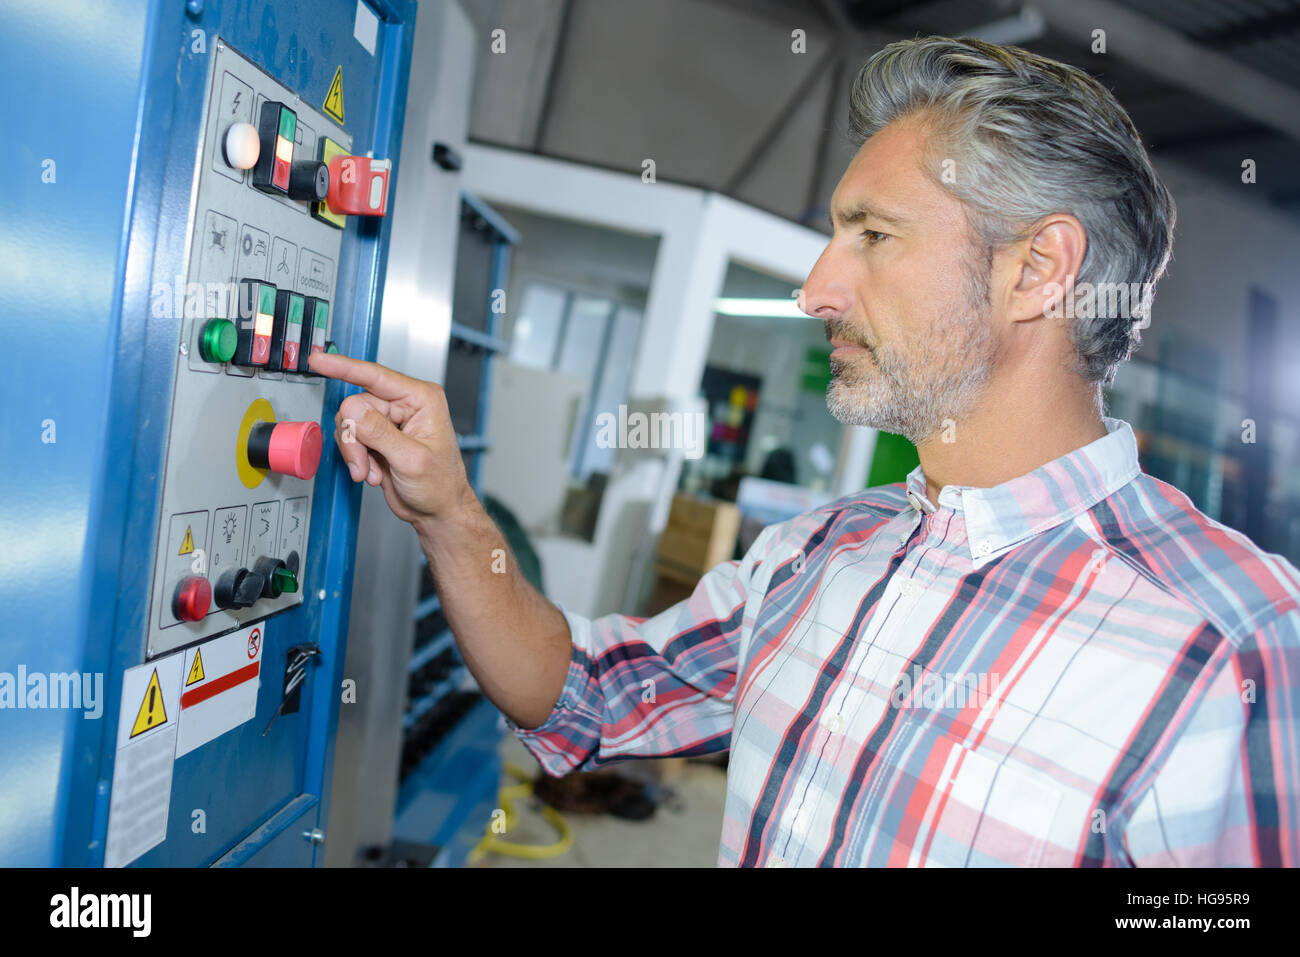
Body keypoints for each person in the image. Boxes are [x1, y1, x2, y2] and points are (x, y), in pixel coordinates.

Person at [309, 36, 1300, 867]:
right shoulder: (815, 554)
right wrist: (449, 511)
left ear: (1038, 269)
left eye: (872, 235)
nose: (816, 289)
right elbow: (581, 690)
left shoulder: (1232, 642)